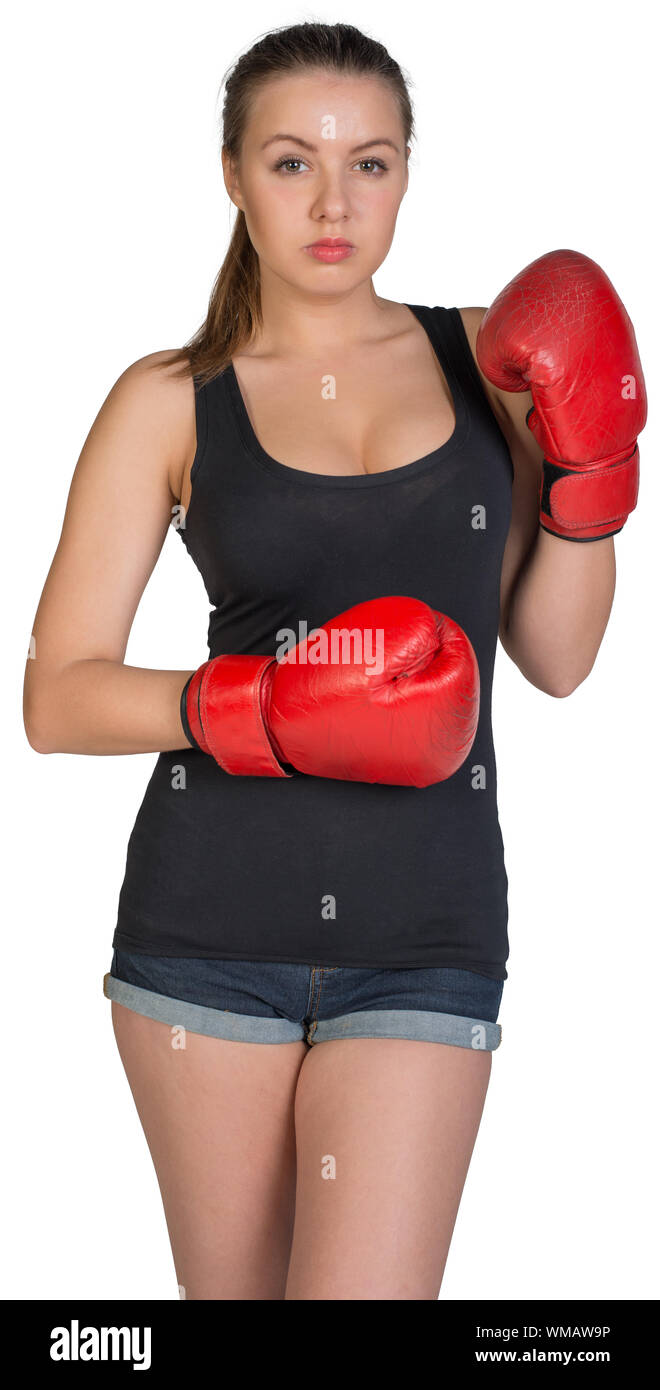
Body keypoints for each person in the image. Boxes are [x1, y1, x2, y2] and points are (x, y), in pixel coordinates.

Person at [22, 21, 646, 1300]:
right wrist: (265, 706)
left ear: (408, 174)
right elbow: (57, 694)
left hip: (428, 931)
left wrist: (591, 479)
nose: (333, 200)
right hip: (204, 931)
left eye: (370, 162)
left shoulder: (492, 363)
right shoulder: (166, 398)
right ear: (234, 175)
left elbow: (560, 659)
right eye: (292, 161)